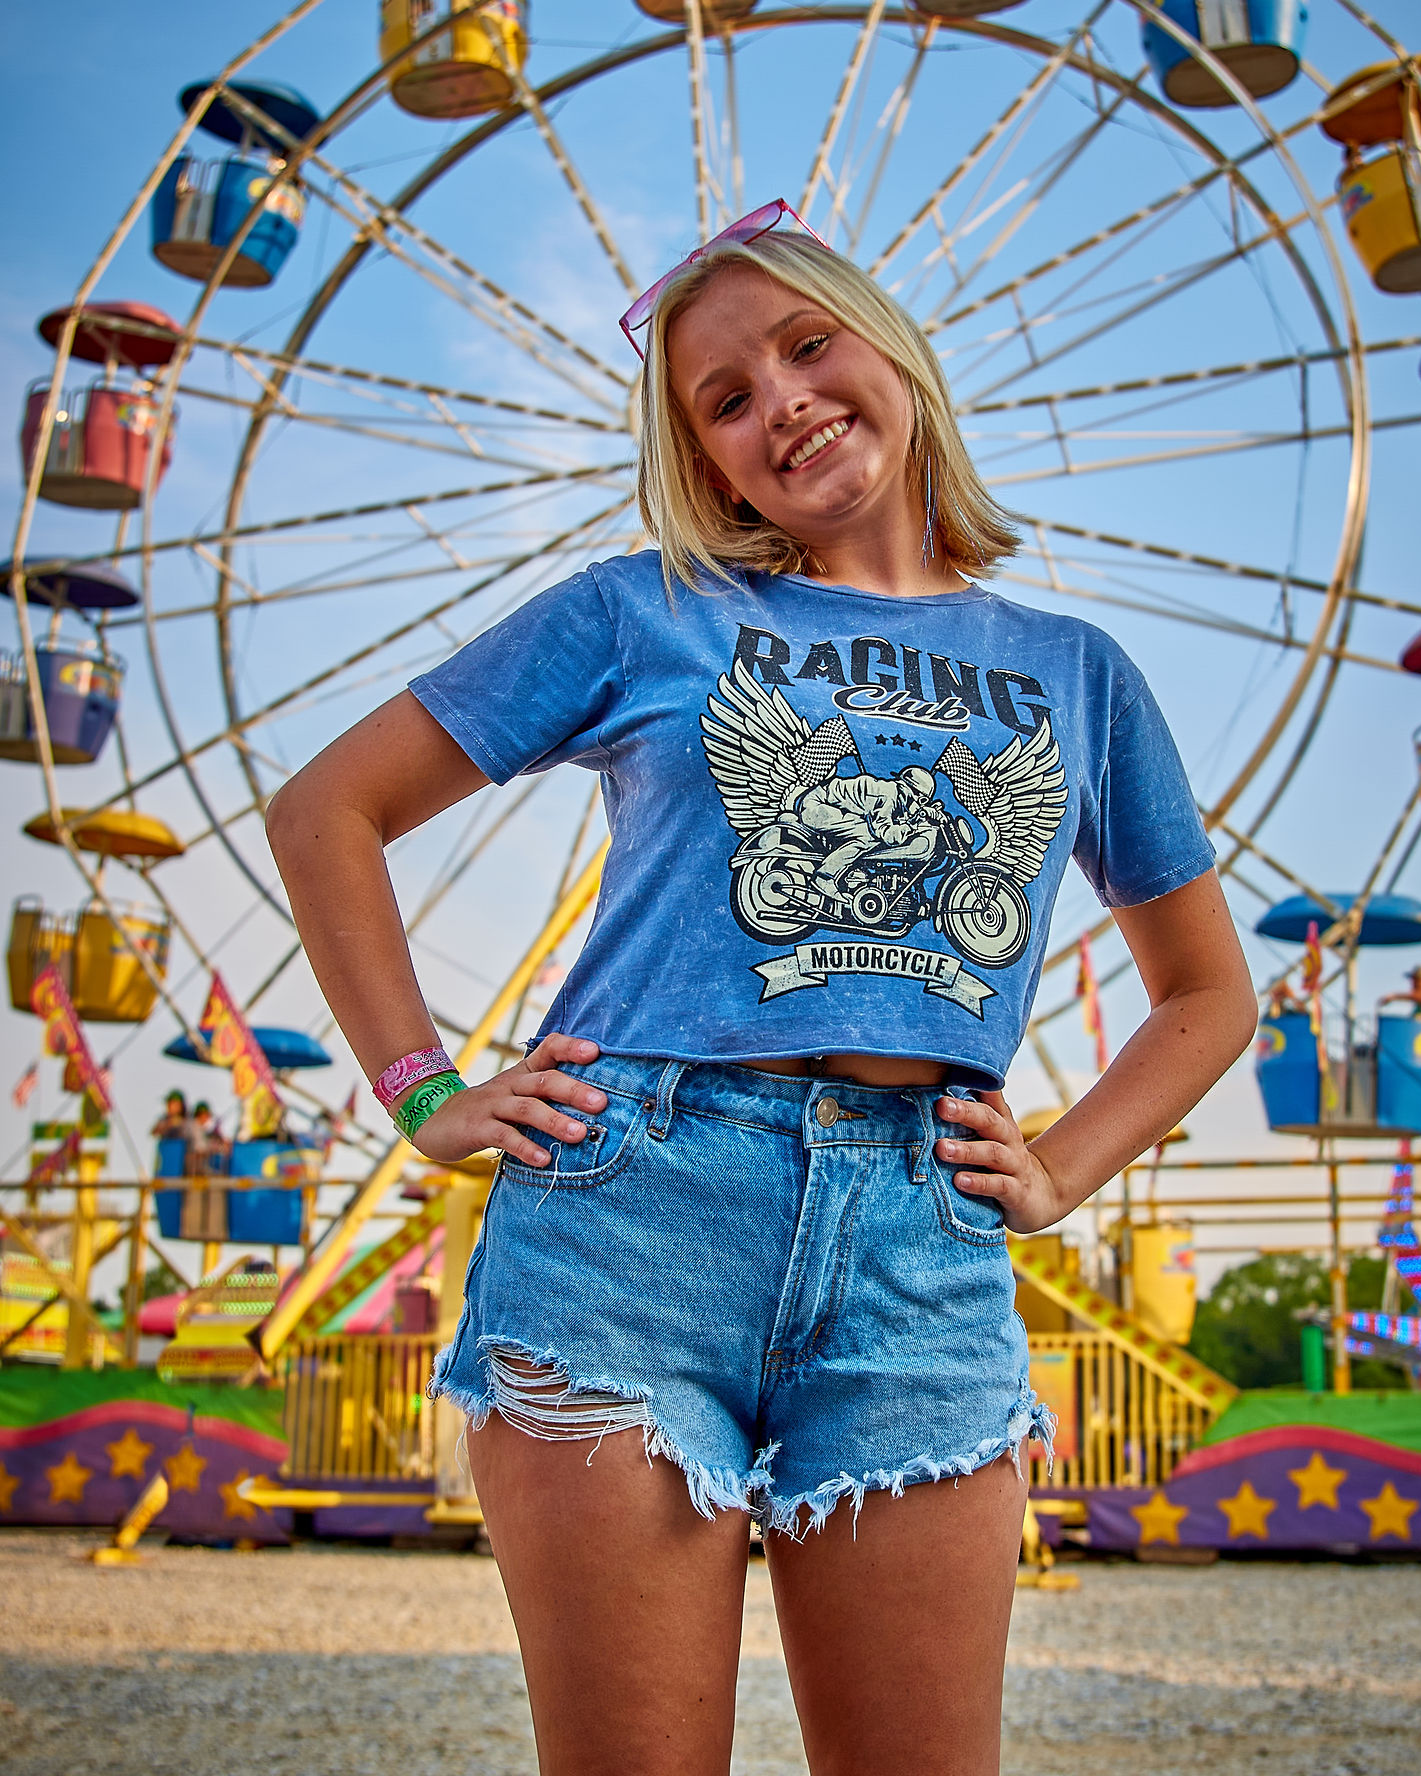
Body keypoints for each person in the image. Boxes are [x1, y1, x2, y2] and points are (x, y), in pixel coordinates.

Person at [266, 207, 1256, 1776]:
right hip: (627, 1218)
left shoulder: (1076, 671)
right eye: (722, 399)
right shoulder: (641, 608)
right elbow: (328, 810)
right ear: (707, 465)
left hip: (921, 1245)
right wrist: (428, 1094)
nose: (777, 399)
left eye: (807, 346)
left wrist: (1065, 1169)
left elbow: (1208, 995)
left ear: (896, 359)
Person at [794, 761, 944, 905]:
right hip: (816, 806)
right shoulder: (888, 796)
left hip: (830, 805)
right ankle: (824, 876)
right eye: (922, 800)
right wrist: (913, 823)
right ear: (911, 790)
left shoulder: (898, 798)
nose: (920, 804)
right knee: (868, 837)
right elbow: (888, 835)